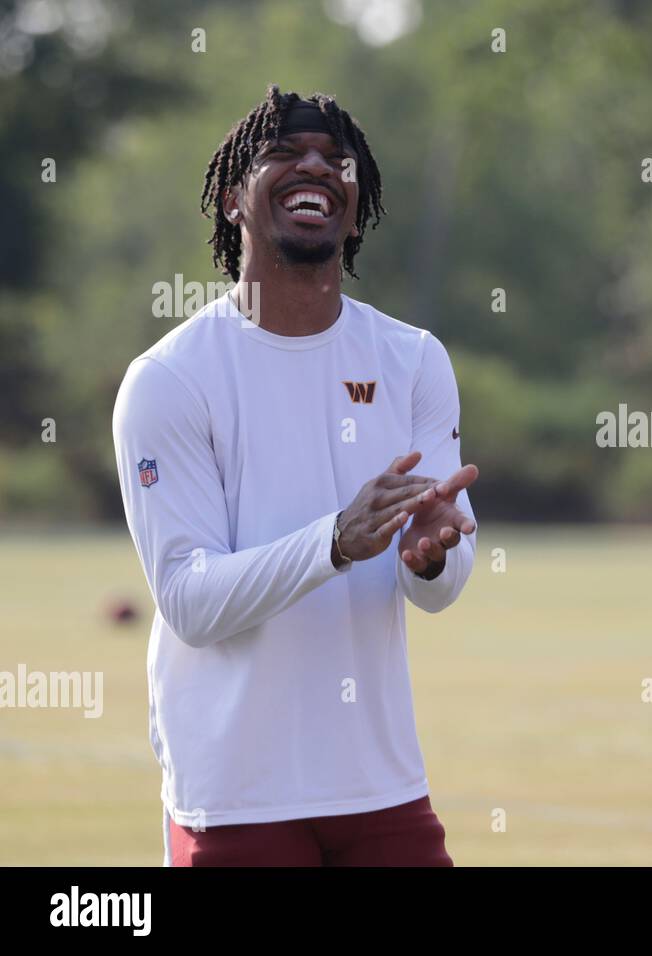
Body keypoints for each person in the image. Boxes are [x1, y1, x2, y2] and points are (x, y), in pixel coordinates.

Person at [112, 86, 478, 866]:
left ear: (354, 207)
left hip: (379, 785)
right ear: (231, 197)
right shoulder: (169, 379)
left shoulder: (413, 360)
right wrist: (336, 543)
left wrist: (432, 556)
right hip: (236, 796)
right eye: (284, 151)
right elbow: (190, 601)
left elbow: (439, 591)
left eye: (334, 157)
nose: (315, 163)